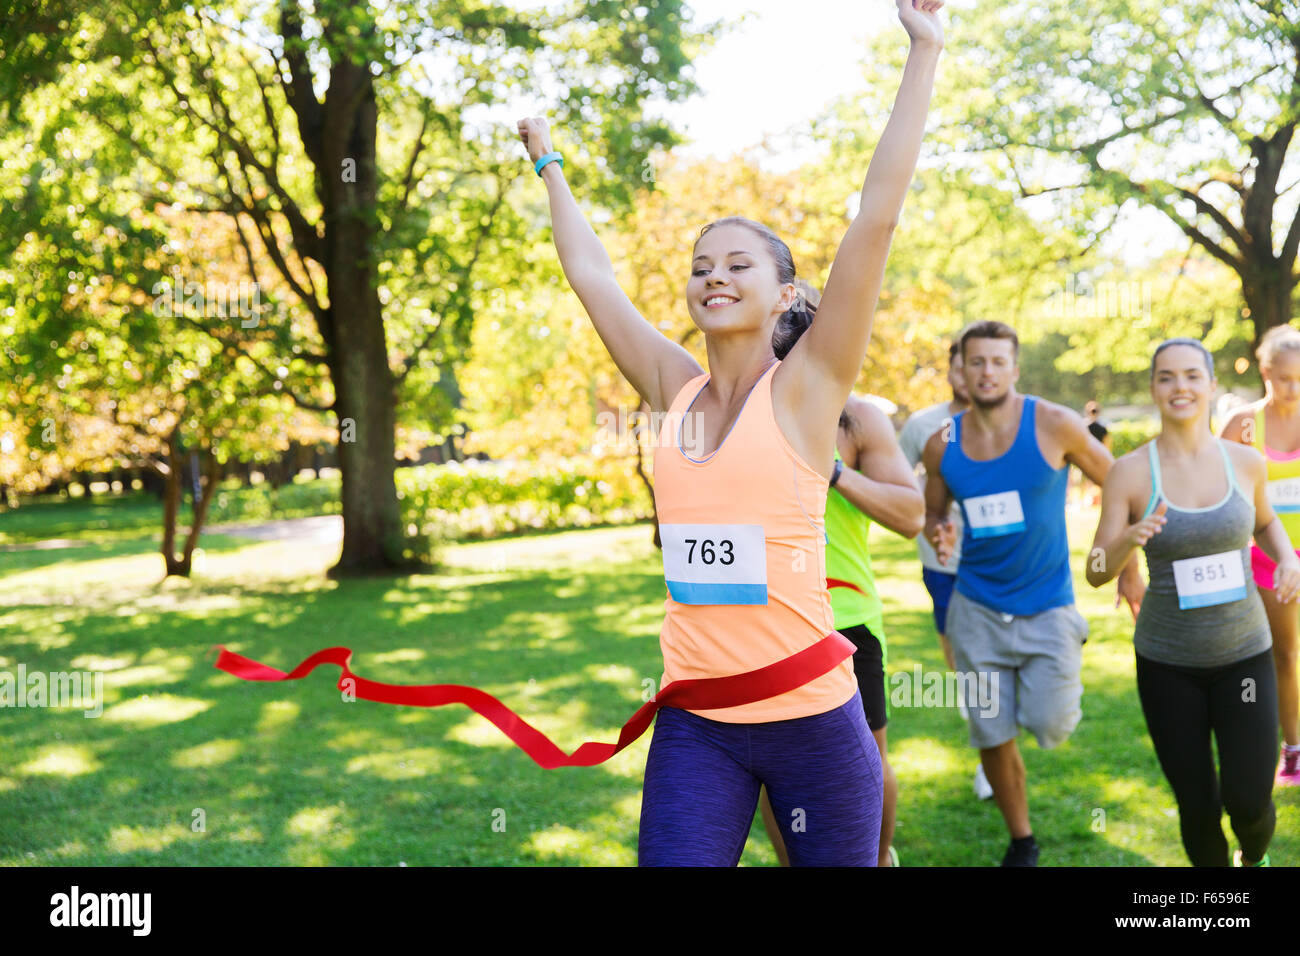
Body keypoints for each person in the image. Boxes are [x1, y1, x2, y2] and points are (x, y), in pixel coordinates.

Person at [517, 0, 944, 866]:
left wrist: (924, 50)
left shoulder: (809, 389)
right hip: (697, 724)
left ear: (785, 292)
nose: (715, 276)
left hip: (816, 723)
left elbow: (876, 219)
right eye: (701, 266)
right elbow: (592, 276)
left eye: (738, 264)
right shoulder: (673, 386)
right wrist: (548, 162)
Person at [921, 320, 1142, 866]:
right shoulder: (942, 443)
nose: (988, 371)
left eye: (999, 362)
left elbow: (1121, 486)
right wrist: (938, 527)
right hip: (976, 608)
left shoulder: (1055, 424)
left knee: (1050, 724)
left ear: (1016, 369)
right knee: (990, 734)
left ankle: (1063, 650)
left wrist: (1127, 565)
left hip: (1047, 606)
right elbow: (933, 507)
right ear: (962, 372)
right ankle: (1022, 840)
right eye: (977, 362)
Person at [1089, 337, 1296, 866]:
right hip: (1168, 666)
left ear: (1211, 385)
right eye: (1166, 377)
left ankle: (1255, 857)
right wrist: (1128, 539)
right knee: (1197, 807)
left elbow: (1267, 522)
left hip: (1244, 658)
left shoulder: (1245, 462)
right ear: (1154, 388)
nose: (1179, 386)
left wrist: (1288, 559)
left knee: (1249, 800)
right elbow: (1094, 571)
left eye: (1191, 375)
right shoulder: (1131, 472)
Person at [756, 280, 925, 867]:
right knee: (770, 772)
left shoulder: (858, 420)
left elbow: (911, 515)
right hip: (758, 626)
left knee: (865, 763)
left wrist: (833, 473)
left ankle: (878, 859)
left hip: (843, 623)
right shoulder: (728, 411)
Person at [898, 336, 993, 801]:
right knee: (964, 663)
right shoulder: (922, 425)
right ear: (952, 370)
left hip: (997, 561)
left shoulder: (1005, 420)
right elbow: (892, 480)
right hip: (941, 562)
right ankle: (988, 736)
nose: (970, 374)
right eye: (963, 365)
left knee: (986, 660)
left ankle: (989, 759)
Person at [1219, 324, 1300, 787]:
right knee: (1285, 656)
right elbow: (1221, 493)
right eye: (1285, 377)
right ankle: (1292, 750)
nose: (1294, 388)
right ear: (1266, 370)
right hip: (1269, 559)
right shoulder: (1242, 424)